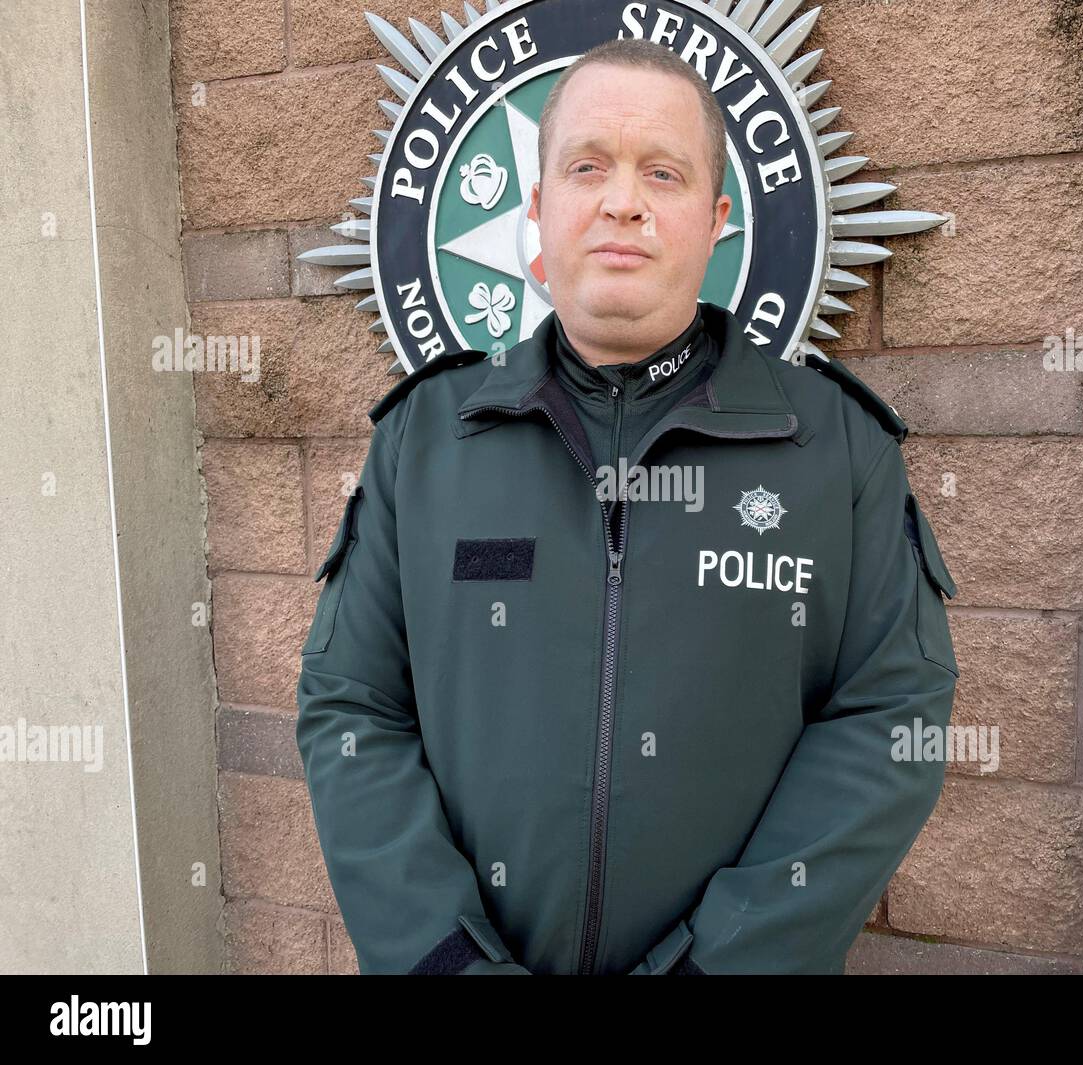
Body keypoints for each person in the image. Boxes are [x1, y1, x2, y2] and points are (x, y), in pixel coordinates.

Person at [296, 37, 959, 976]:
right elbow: (350, 705)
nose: (623, 201)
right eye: (586, 167)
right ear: (537, 208)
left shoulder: (835, 447)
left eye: (663, 172)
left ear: (717, 217)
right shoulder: (426, 439)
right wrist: (445, 961)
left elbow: (892, 719)